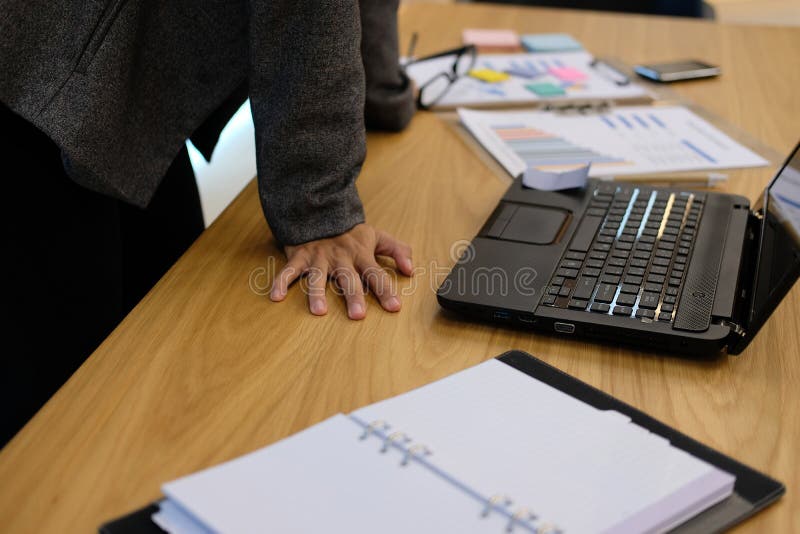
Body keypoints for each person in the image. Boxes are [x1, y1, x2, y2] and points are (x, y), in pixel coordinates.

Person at [0, 0, 416, 446]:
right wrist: (319, 209)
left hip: (119, 78)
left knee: (167, 356)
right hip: (34, 72)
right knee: (60, 403)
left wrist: (376, 92)